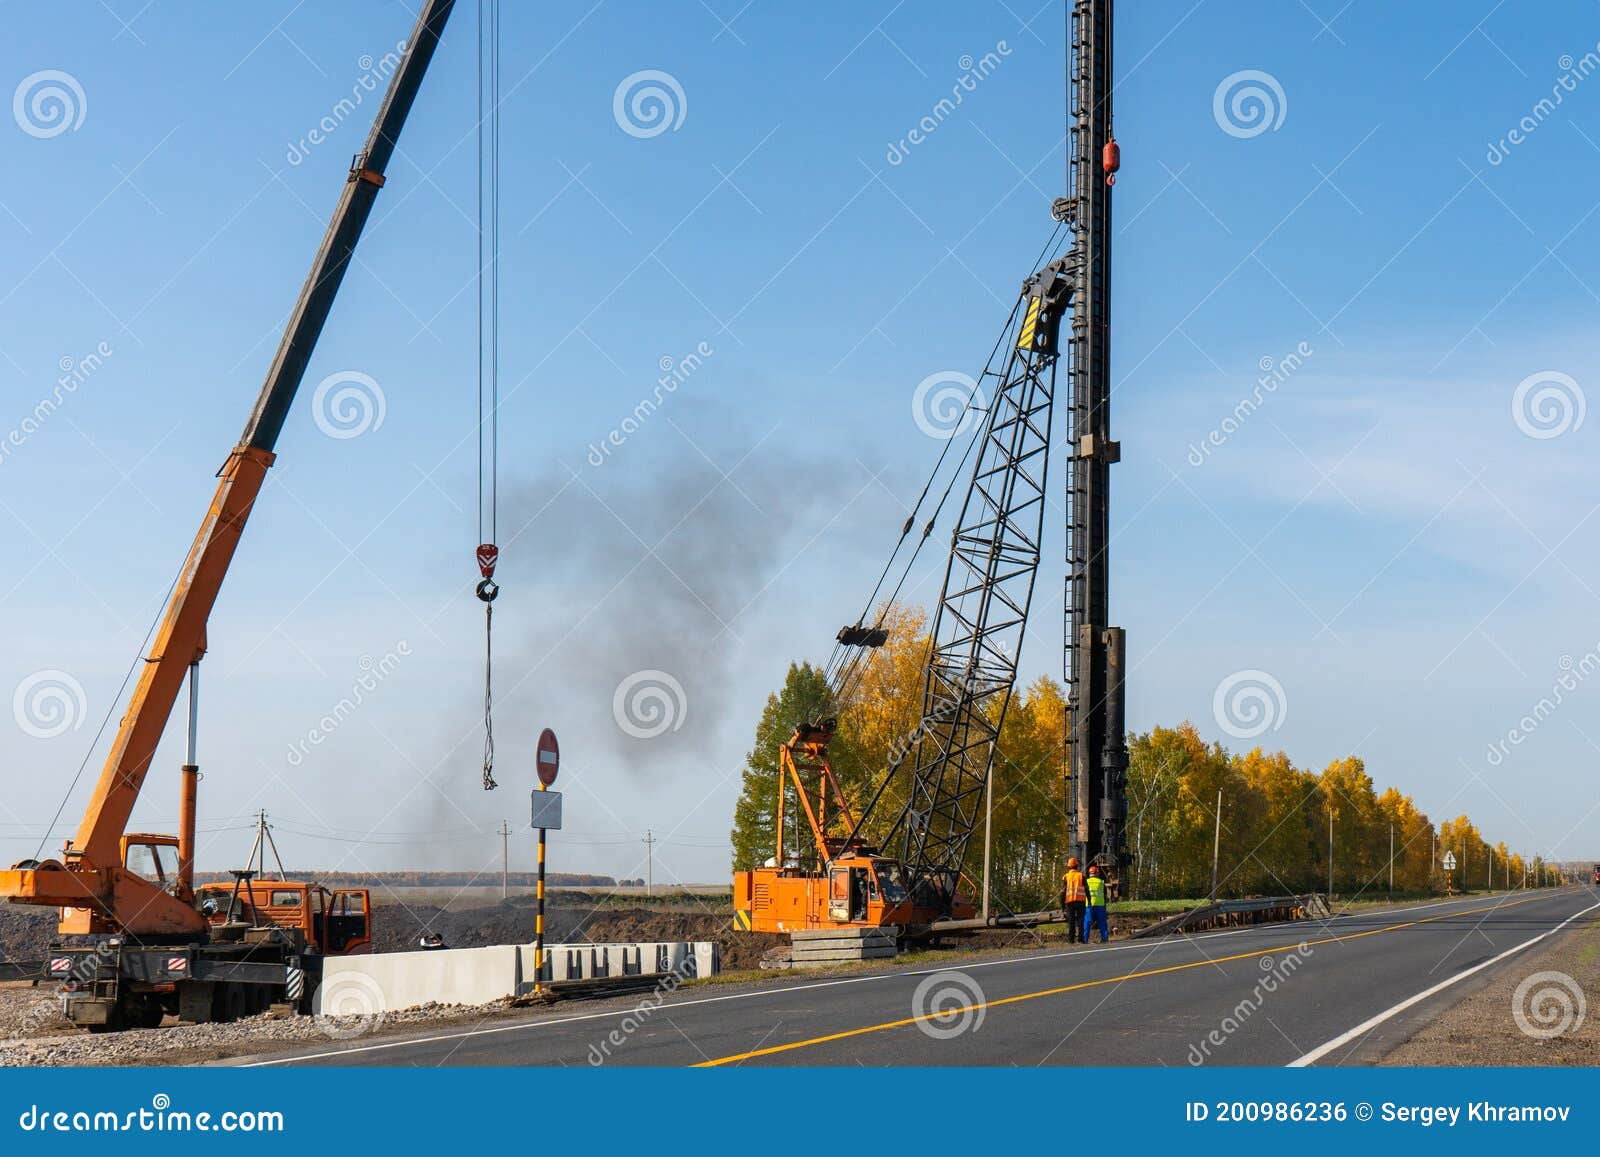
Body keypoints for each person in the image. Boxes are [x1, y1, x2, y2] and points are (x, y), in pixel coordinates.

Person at [1061, 858, 1087, 944]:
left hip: (1069, 902)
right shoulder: (1081, 876)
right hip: (1080, 901)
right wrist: (1089, 901)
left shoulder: (1066, 877)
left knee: (1071, 921)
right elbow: (1087, 889)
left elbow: (1062, 892)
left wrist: (1062, 906)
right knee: (1080, 921)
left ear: (1069, 867)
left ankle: (1071, 940)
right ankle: (1081, 939)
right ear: (1077, 866)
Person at [1083, 865, 1110, 944]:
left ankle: (1085, 940)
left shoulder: (1086, 882)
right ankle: (1104, 939)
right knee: (1102, 923)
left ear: (1089, 874)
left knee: (1087, 923)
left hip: (1089, 905)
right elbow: (1105, 894)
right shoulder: (1101, 882)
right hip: (1100, 905)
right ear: (1097, 873)